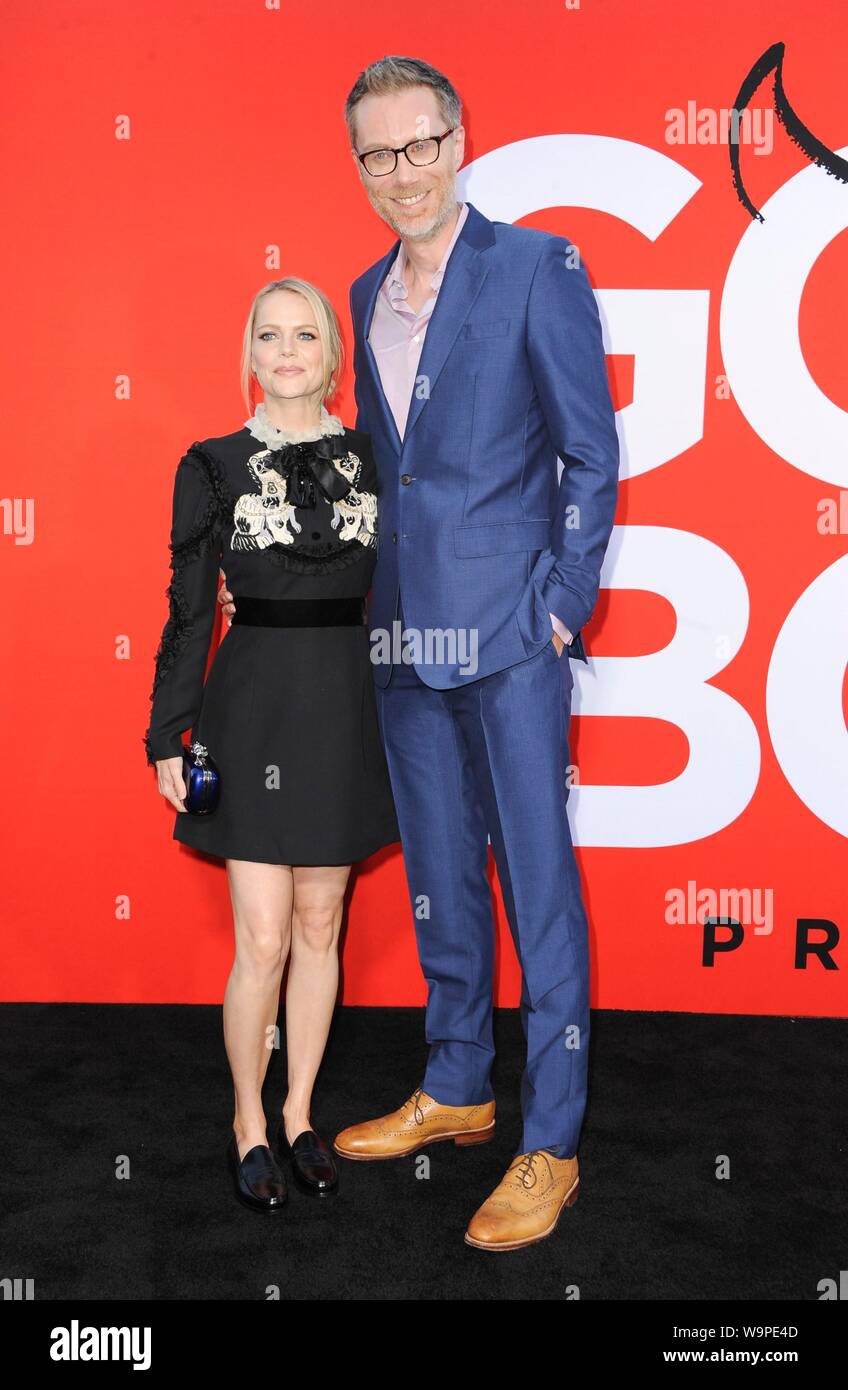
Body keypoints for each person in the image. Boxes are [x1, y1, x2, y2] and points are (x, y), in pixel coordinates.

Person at [220, 55, 620, 1252]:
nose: (402, 172)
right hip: (397, 640)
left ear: (457, 140)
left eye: (420, 144)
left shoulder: (535, 265)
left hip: (510, 638)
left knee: (537, 892)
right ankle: (457, 1085)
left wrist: (560, 607)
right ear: (358, 166)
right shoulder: (358, 287)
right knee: (442, 878)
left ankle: (549, 1140)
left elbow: (588, 456)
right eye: (377, 154)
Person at [143, 276, 400, 1213]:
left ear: (331, 354)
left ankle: (299, 1113)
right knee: (259, 937)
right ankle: (248, 1119)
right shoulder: (209, 464)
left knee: (320, 926)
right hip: (249, 715)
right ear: (248, 352)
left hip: (340, 709)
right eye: (269, 336)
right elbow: (185, 615)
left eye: (305, 336)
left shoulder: (374, 461)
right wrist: (169, 731)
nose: (287, 352)